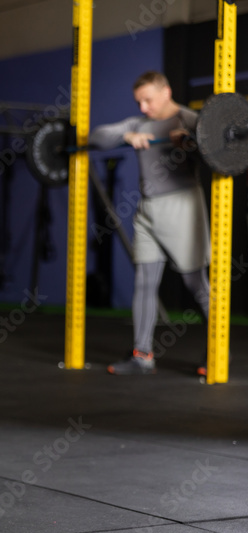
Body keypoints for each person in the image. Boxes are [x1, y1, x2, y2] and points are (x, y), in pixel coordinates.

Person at [89, 71, 210, 375]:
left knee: (196, 284)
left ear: (166, 92)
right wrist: (126, 136)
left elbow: (218, 154)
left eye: (148, 100)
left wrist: (190, 144)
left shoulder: (189, 119)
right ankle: (142, 356)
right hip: (147, 210)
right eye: (139, 101)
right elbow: (95, 137)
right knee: (144, 281)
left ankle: (218, 351)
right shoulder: (139, 124)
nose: (143, 107)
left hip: (182, 205)